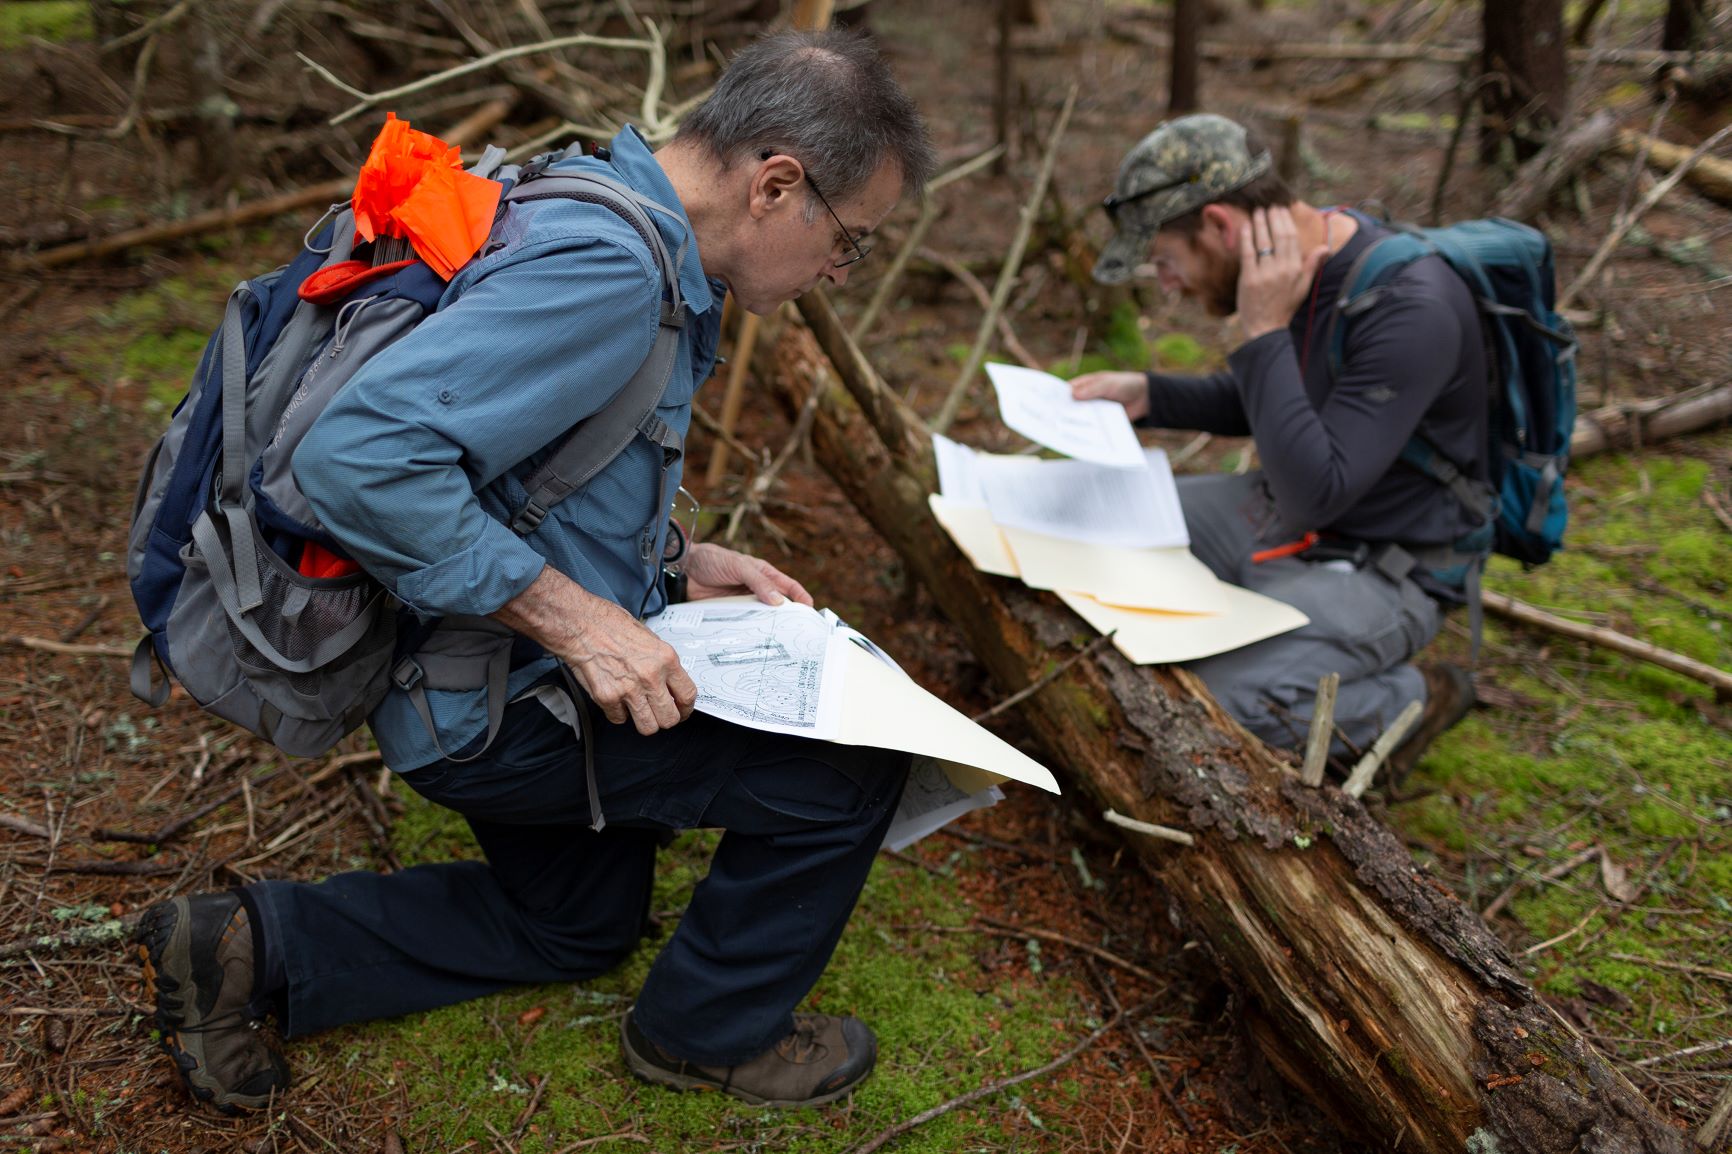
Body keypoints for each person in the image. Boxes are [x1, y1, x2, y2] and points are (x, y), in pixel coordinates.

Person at [135, 28, 936, 1115]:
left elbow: (525, 471)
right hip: (488, 704)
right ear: (776, 184)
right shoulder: (610, 270)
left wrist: (677, 560)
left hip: (452, 671)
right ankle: (712, 1036)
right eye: (849, 241)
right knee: (849, 771)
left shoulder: (587, 196)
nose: (841, 272)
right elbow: (355, 460)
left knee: (577, 924)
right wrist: (580, 621)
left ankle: (242, 943)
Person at [1073, 113, 1478, 773]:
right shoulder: (1295, 266)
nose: (1166, 285)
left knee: (1225, 702)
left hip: (1384, 564)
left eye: (1166, 261)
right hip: (1279, 513)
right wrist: (1152, 393)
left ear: (1220, 226)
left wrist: (1264, 327)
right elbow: (1281, 399)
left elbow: (1318, 490)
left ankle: (1417, 698)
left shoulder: (1411, 304)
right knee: (1096, 520)